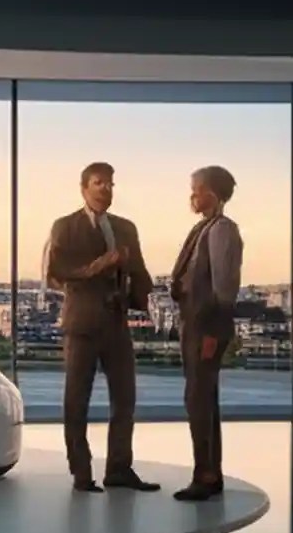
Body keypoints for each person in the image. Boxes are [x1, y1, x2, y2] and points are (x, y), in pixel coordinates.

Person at [45, 162, 158, 493]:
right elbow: (57, 270)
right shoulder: (65, 226)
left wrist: (148, 291)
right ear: (83, 188)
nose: (106, 189)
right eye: (99, 183)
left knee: (125, 400)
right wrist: (99, 266)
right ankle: (82, 473)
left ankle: (119, 469)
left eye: (110, 183)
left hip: (116, 322)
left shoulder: (126, 227)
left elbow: (138, 268)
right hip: (81, 325)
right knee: (76, 402)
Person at [170, 166, 243, 501]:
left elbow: (224, 289)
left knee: (198, 399)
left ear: (212, 193)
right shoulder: (205, 228)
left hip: (206, 328)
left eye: (197, 189)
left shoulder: (222, 231)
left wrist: (212, 332)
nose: (192, 196)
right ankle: (209, 471)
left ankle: (206, 475)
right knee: (201, 399)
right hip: (196, 326)